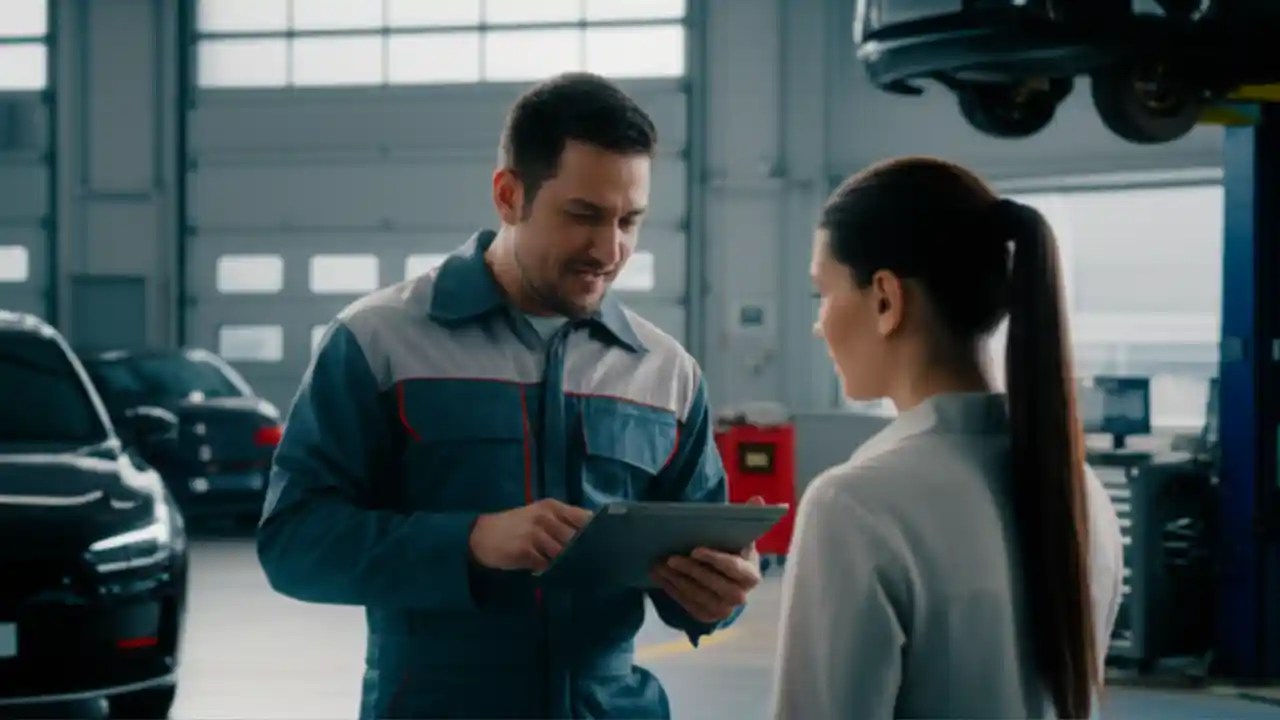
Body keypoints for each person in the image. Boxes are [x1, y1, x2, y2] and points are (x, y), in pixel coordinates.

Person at [257, 72, 761, 720]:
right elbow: (295, 545)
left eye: (629, 221)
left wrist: (722, 593)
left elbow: (699, 569)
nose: (609, 250)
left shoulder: (665, 373)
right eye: (582, 215)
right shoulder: (378, 342)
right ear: (508, 195)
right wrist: (469, 541)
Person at [773, 157, 1125, 719]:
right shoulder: (1082, 492)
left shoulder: (856, 506)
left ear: (886, 299)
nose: (820, 323)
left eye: (824, 293)